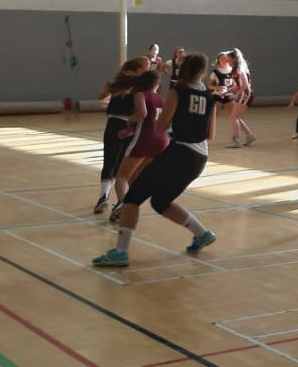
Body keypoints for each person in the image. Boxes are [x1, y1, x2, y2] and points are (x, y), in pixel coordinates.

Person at [92, 53, 218, 267]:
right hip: (200, 157)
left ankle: (120, 252)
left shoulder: (177, 91)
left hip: (179, 152)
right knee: (160, 202)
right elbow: (211, 134)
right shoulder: (210, 96)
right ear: (203, 72)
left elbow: (160, 127)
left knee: (132, 198)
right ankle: (202, 233)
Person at [110, 70, 167, 224]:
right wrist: (130, 131)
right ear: (157, 84)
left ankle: (124, 205)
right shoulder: (162, 100)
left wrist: (130, 120)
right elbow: (156, 120)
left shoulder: (140, 95)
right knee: (135, 178)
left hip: (145, 139)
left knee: (121, 177)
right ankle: (131, 205)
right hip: (161, 140)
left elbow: (142, 114)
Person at [94, 57, 149, 213]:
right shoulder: (139, 87)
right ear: (139, 70)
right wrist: (131, 122)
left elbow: (101, 97)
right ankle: (120, 202)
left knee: (109, 161)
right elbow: (142, 112)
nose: (149, 68)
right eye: (147, 66)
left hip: (112, 124)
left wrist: (107, 89)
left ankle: (103, 196)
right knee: (122, 167)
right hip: (128, 125)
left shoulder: (118, 82)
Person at [225, 48, 256, 148]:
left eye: (228, 59)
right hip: (244, 94)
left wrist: (237, 94)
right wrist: (227, 90)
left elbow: (245, 84)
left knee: (233, 117)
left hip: (245, 94)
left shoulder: (239, 68)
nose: (227, 61)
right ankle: (249, 135)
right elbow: (238, 85)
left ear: (234, 59)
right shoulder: (235, 69)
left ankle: (237, 140)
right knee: (235, 117)